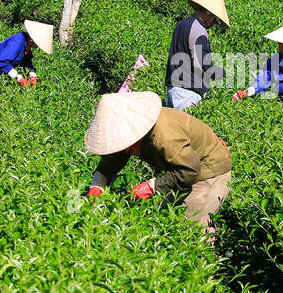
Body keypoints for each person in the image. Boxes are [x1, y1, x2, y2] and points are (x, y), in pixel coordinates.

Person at [84, 91, 231, 232]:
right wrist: (97, 186)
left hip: (208, 172)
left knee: (191, 230)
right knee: (164, 217)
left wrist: (150, 186)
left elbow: (190, 170)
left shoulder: (165, 136)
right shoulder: (132, 130)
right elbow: (110, 163)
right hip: (182, 168)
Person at [165, 0, 229, 110]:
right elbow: (201, 63)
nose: (214, 24)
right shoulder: (199, 29)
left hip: (173, 89)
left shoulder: (183, 24)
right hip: (187, 93)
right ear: (209, 14)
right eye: (215, 20)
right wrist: (223, 74)